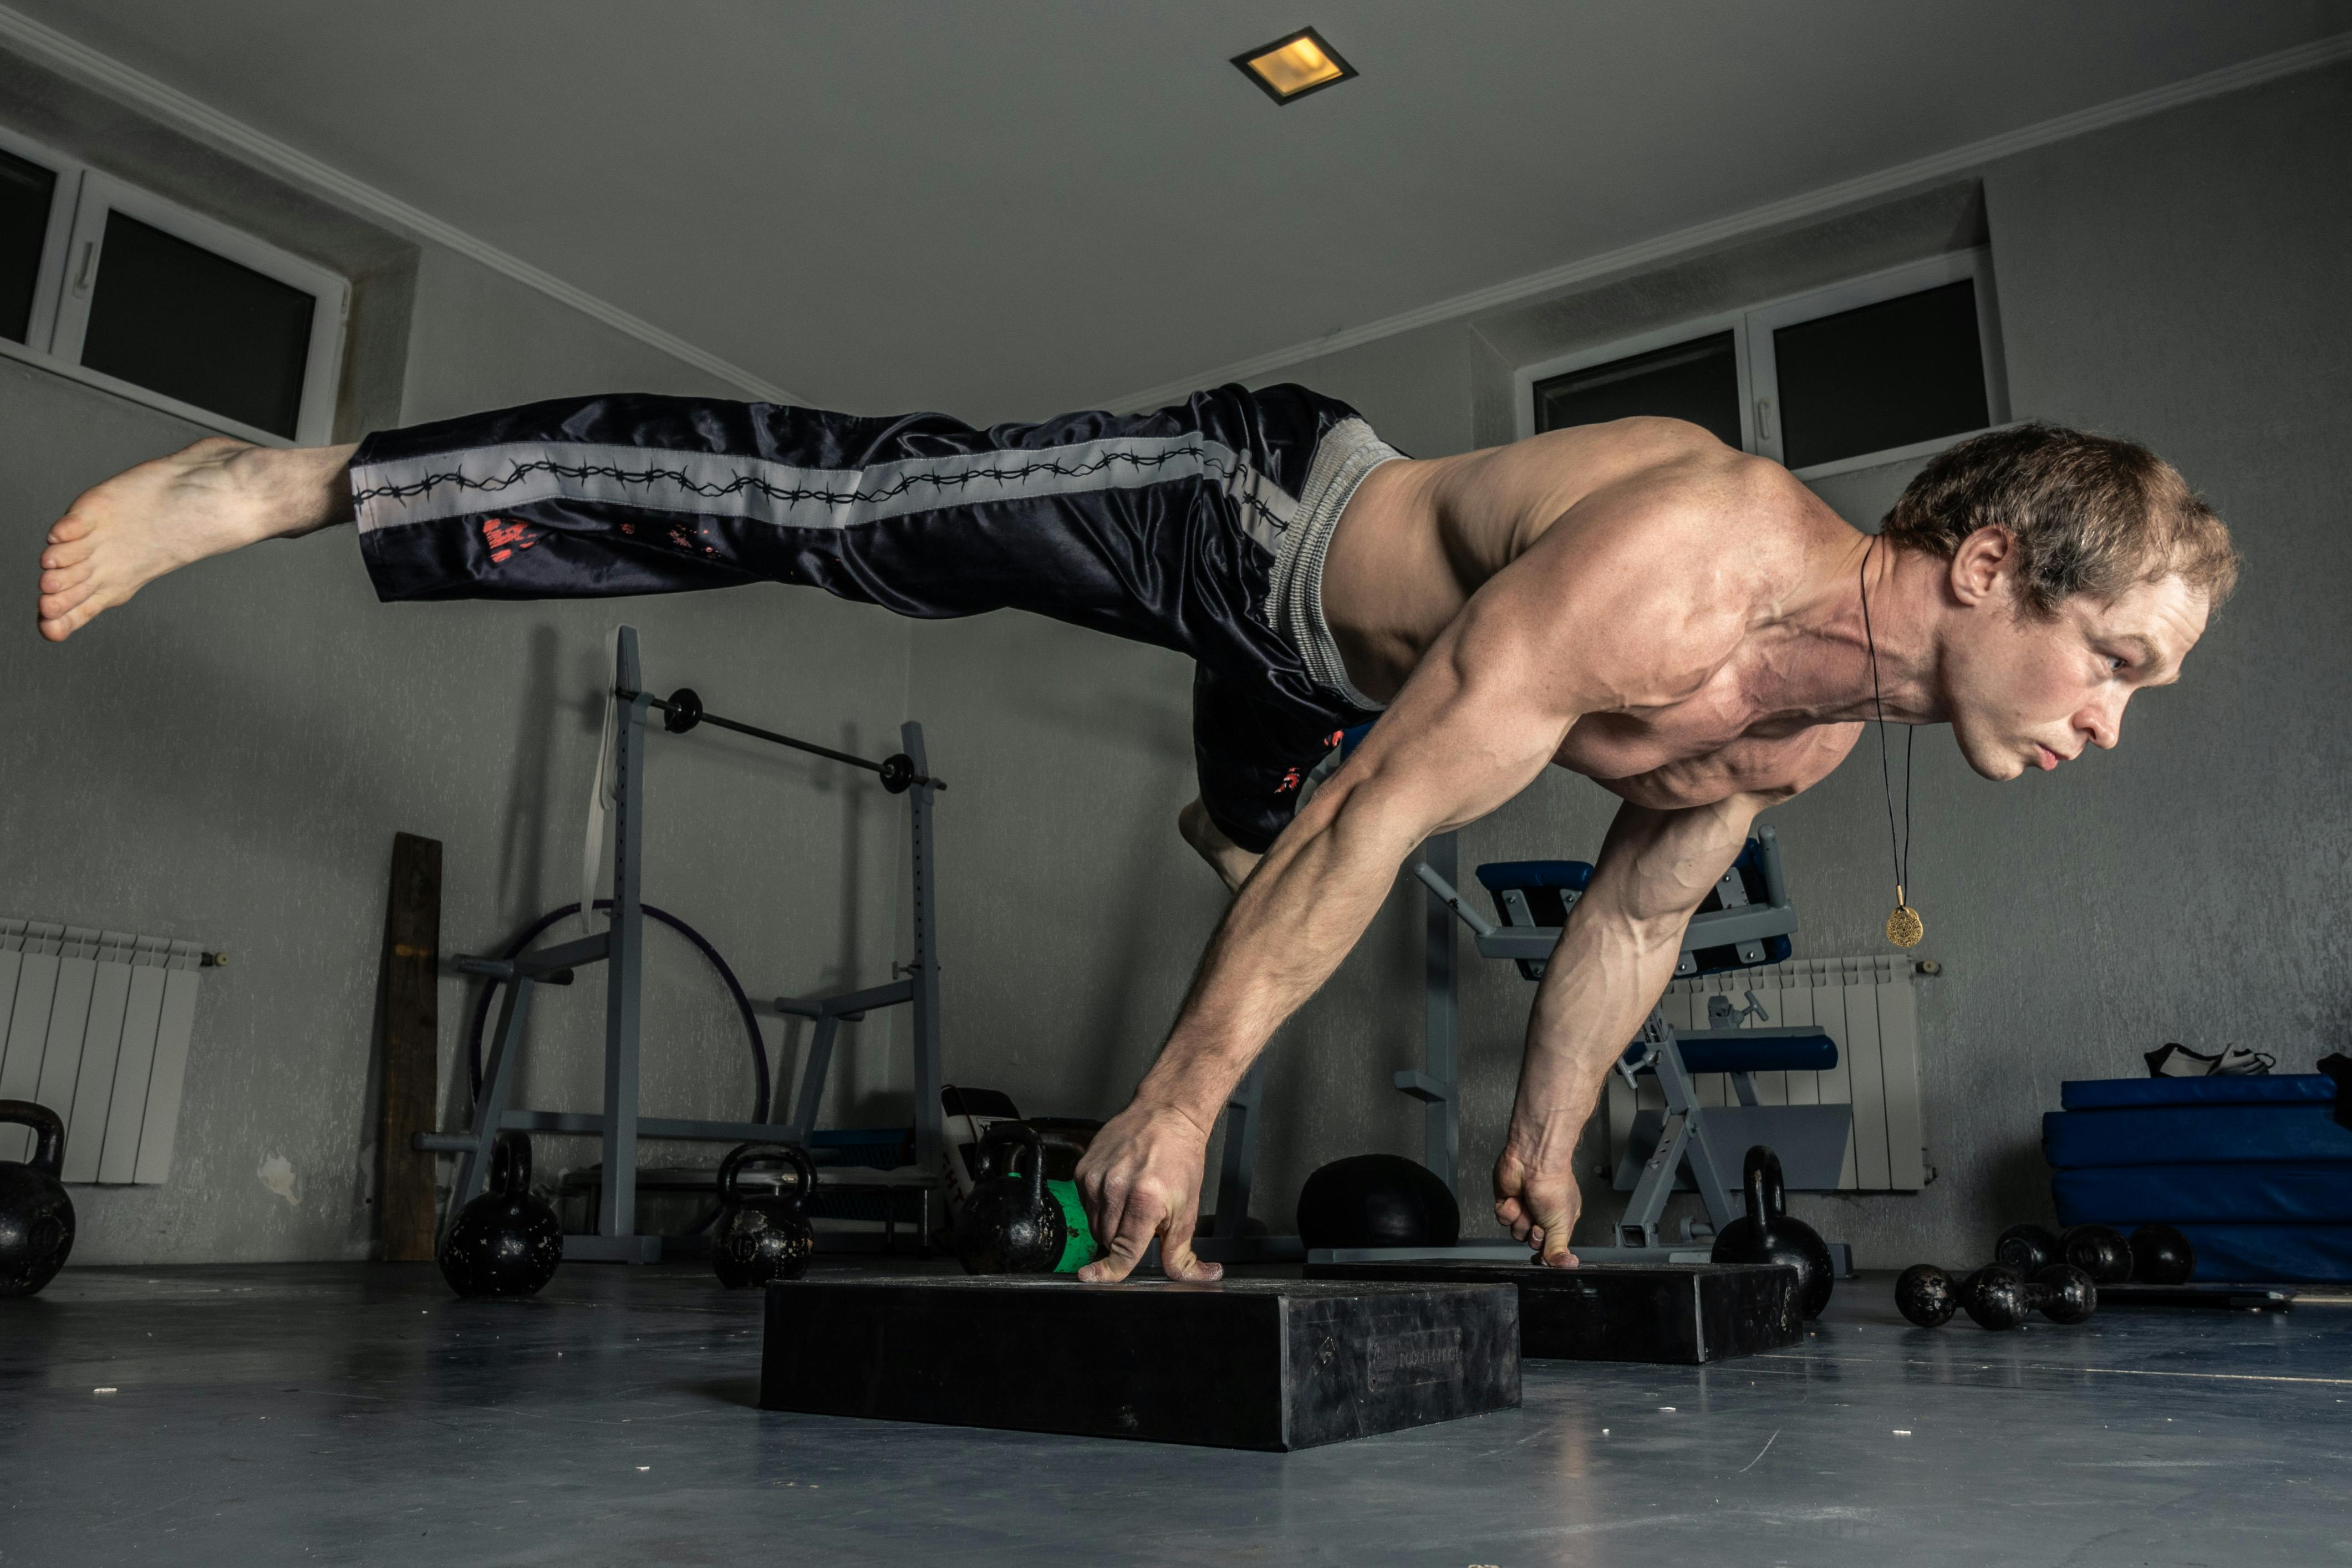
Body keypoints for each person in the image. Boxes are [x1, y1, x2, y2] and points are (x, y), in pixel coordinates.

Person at [32, 384, 2237, 1279]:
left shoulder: (1806, 741)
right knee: (836, 511)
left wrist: (1547, 1134)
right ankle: (307, 481)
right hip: (1243, 524)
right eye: (2115, 661)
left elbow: (1638, 916)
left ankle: (1225, 811)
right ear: (1985, 569)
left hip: (1331, 710)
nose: (2111, 720)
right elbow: (1386, 814)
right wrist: (1172, 1097)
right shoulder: (1686, 563)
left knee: (1291, 815)